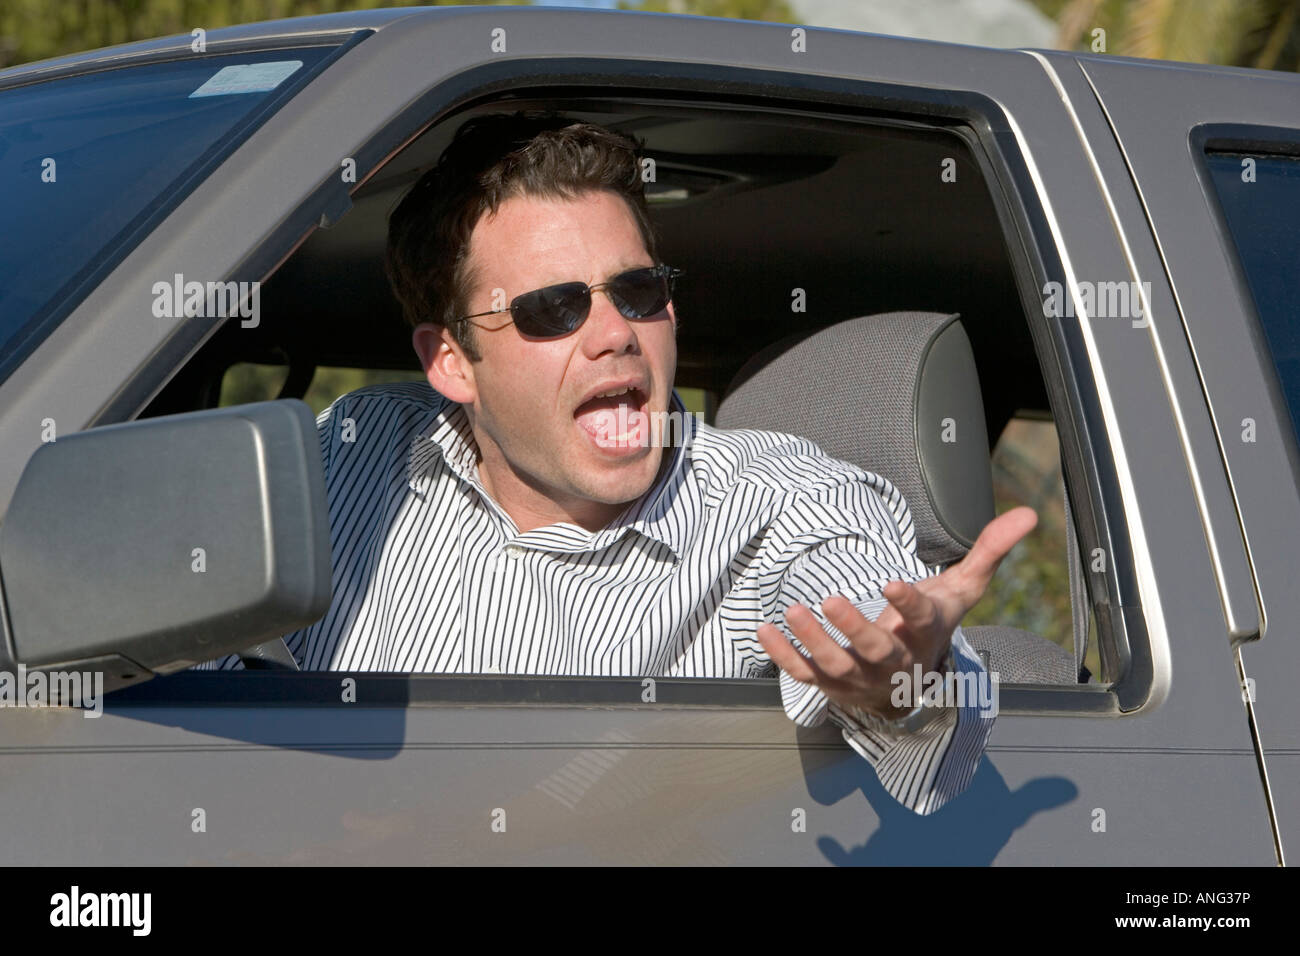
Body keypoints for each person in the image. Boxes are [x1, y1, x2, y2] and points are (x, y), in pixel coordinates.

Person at [203, 111, 1037, 816]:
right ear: (452, 360)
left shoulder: (785, 505)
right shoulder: (356, 455)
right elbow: (173, 645)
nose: (614, 334)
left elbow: (892, 662)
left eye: (638, 291)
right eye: (552, 309)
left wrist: (905, 683)